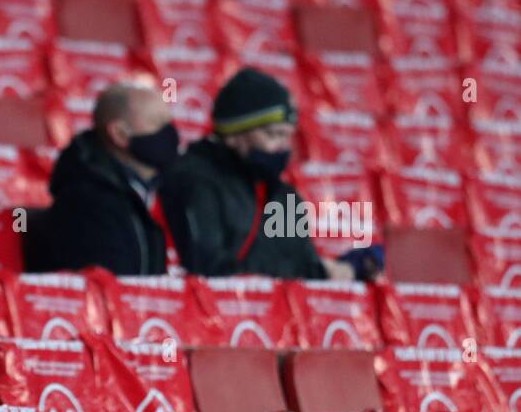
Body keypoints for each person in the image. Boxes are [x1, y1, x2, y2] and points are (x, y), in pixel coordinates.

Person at [157, 67, 383, 281]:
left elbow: (303, 265)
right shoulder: (194, 180)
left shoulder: (284, 196)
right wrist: (312, 271)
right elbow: (208, 269)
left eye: (287, 137)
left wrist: (345, 269)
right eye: (273, 135)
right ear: (233, 133)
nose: (282, 147)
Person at [25, 81, 180, 274]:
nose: (170, 132)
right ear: (119, 134)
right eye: (158, 123)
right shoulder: (85, 204)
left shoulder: (158, 188)